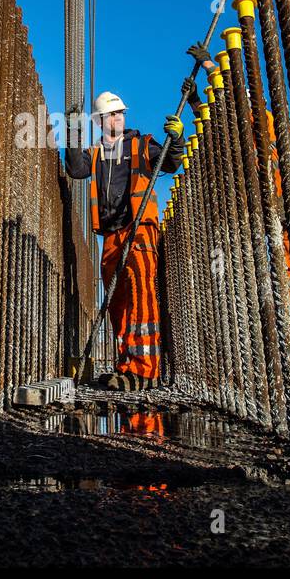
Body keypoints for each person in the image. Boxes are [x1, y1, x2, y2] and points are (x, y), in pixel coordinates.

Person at [66, 90, 183, 390]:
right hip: (111, 236)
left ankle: (145, 370)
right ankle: (126, 366)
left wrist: (177, 140)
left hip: (140, 228)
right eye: (109, 115)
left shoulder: (142, 144)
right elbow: (76, 168)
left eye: (119, 113)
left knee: (141, 294)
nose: (116, 118)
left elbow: (170, 164)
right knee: (117, 302)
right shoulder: (96, 153)